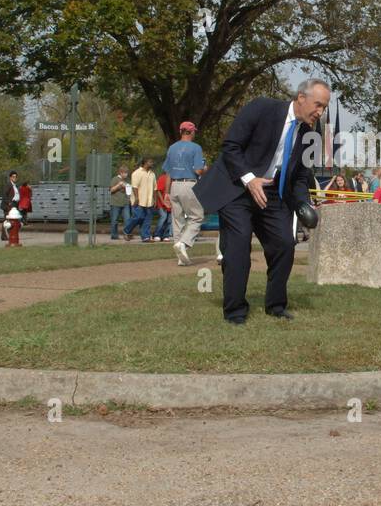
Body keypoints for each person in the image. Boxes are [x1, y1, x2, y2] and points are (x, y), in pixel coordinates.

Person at [192, 78, 328, 324]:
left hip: (273, 193)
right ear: (301, 98)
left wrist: (302, 203)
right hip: (237, 188)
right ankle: (235, 312)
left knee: (285, 244)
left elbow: (300, 176)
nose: (320, 112)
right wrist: (249, 179)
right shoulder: (261, 108)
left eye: (324, 107)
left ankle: (276, 306)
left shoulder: (312, 133)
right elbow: (230, 146)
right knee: (238, 246)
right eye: (318, 105)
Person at [163, 121, 206, 264]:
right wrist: (205, 168)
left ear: (181, 131)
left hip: (174, 185)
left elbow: (168, 172)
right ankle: (183, 243)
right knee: (197, 217)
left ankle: (181, 258)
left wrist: (166, 192)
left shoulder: (172, 148)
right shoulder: (196, 148)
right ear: (192, 132)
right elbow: (198, 170)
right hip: (189, 184)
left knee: (177, 221)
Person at [124, 157, 157, 242]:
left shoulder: (152, 174)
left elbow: (155, 188)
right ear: (145, 163)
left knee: (147, 220)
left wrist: (155, 199)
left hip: (149, 201)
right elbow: (135, 186)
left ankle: (145, 237)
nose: (152, 163)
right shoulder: (136, 173)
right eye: (150, 162)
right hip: (139, 201)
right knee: (137, 217)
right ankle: (126, 230)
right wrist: (137, 198)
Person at [0, 170, 24, 246]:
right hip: (9, 204)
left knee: (12, 220)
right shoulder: (8, 185)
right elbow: (4, 195)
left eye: (16, 177)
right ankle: (4, 236)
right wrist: (9, 203)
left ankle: (8, 234)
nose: (15, 178)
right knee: (6, 220)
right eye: (13, 177)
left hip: (15, 204)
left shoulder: (15, 185)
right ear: (10, 177)